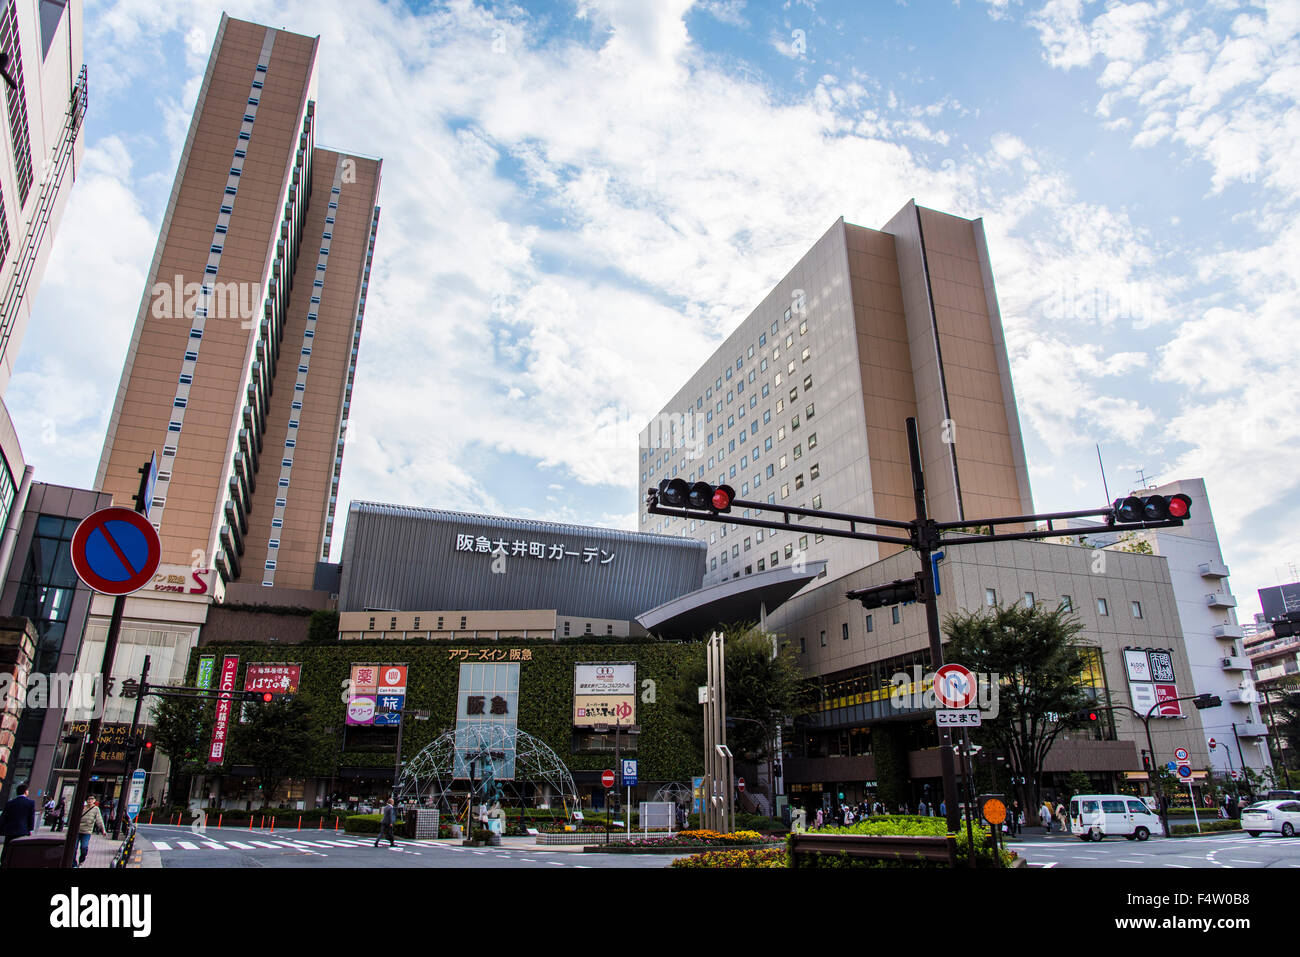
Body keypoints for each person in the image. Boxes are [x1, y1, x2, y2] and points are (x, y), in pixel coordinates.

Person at [1, 782, 37, 851]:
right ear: (25, 792)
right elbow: (31, 817)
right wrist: (30, 829)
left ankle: (4, 860)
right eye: (27, 790)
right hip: (23, 830)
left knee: (7, 848)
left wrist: (2, 829)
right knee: (19, 849)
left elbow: (3, 817)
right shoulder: (30, 803)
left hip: (10, 830)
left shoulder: (10, 803)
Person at [76, 796, 106, 867]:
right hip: (77, 830)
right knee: (74, 848)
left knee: (84, 847)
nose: (90, 800)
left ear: (95, 800)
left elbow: (99, 820)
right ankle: (73, 864)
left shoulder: (96, 809)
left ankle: (81, 861)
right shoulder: (82, 807)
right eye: (88, 799)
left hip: (87, 831)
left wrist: (103, 829)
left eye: (92, 799)